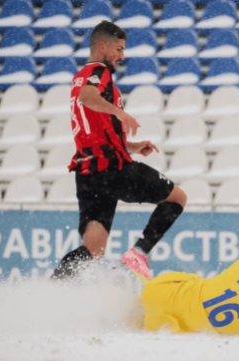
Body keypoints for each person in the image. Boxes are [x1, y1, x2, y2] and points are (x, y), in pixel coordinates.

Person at [51, 21, 187, 281]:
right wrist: (121, 113)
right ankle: (139, 253)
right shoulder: (99, 71)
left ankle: (51, 289)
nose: (122, 56)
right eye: (120, 49)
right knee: (178, 198)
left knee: (93, 249)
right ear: (103, 46)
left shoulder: (79, 76)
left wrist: (132, 145)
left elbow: (93, 125)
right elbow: (87, 97)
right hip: (112, 168)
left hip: (88, 172)